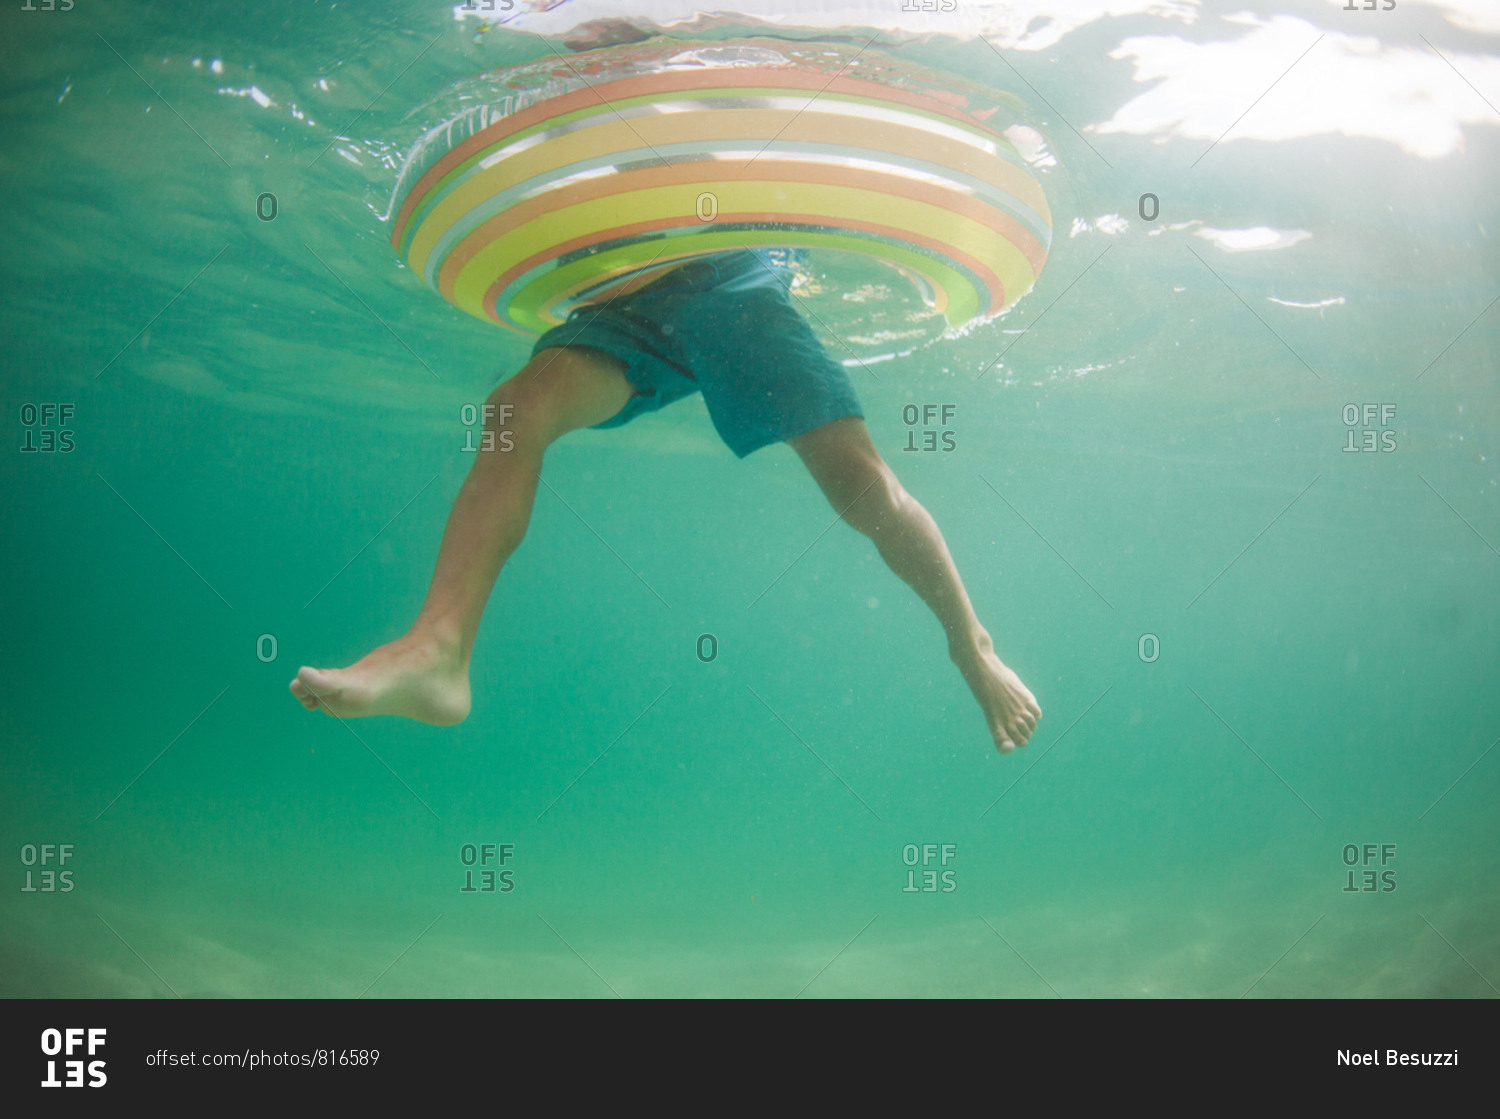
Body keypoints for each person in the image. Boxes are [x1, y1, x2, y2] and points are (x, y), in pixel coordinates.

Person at [290, 248, 1041, 753]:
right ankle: (438, 650)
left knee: (858, 480)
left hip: (732, 275)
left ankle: (970, 643)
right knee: (515, 407)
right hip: (626, 286)